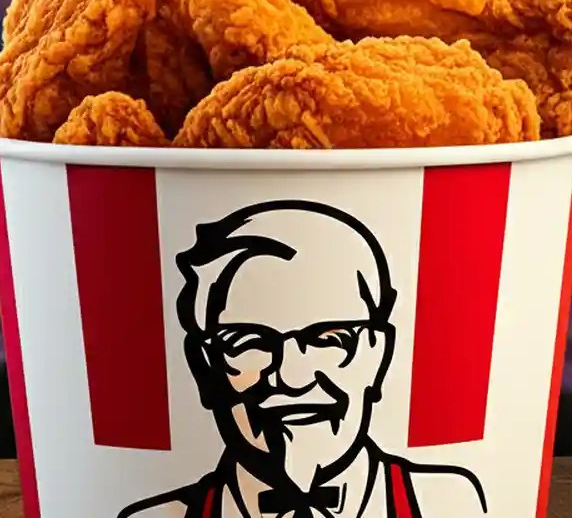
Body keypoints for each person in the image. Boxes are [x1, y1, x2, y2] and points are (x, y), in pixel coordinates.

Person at [121, 200, 488, 518]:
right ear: (204, 368)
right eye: (250, 342)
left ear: (378, 355)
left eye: (329, 339)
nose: (293, 377)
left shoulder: (448, 501)